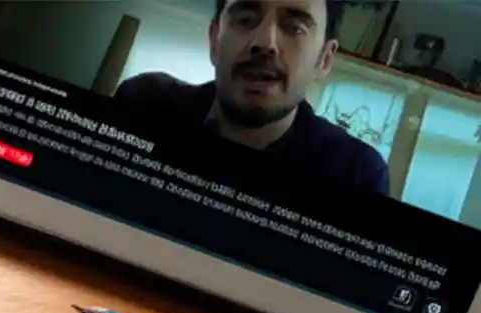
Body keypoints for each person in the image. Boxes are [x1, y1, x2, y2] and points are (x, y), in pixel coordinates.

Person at [113, 0, 391, 195]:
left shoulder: (355, 174)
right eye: (245, 20)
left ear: (324, 59)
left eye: (295, 28)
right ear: (214, 40)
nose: (265, 43)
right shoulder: (143, 106)